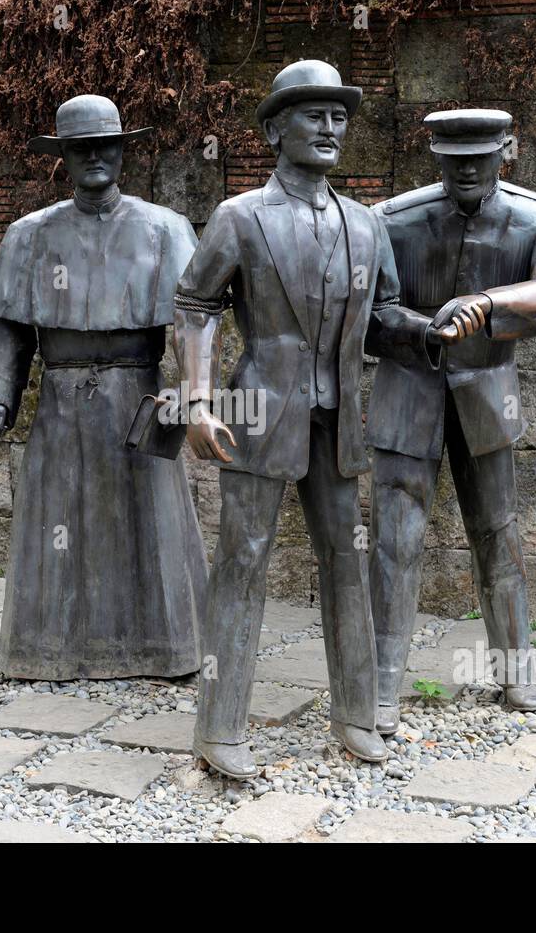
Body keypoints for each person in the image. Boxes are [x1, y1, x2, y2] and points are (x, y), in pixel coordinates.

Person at [174, 61, 439, 778]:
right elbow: (195, 305)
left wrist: (426, 331)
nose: (329, 127)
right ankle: (219, 726)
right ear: (274, 129)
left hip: (339, 419)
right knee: (242, 561)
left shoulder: (365, 223)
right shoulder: (240, 217)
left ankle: (356, 714)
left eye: (339, 116)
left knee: (347, 560)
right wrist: (197, 399)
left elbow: (381, 317)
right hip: (258, 414)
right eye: (313, 114)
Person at [0, 94, 206, 680]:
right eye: (82, 148)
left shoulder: (164, 230)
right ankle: (50, 650)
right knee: (62, 524)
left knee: (149, 523)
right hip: (63, 402)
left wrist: (190, 393)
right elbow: (10, 329)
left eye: (106, 145)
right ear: (65, 157)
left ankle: (160, 647)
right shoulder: (29, 236)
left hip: (141, 400)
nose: (95, 157)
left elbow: (190, 322)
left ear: (123, 151)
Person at [367, 109, 536, 728]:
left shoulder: (535, 217)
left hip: (487, 392)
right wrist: (422, 326)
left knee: (499, 534)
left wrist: (487, 304)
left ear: (504, 152)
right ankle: (380, 684)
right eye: (453, 157)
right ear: (434, 153)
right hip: (408, 389)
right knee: (393, 543)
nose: (465, 169)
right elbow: (370, 314)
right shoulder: (395, 221)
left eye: (479, 157)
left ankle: (516, 675)